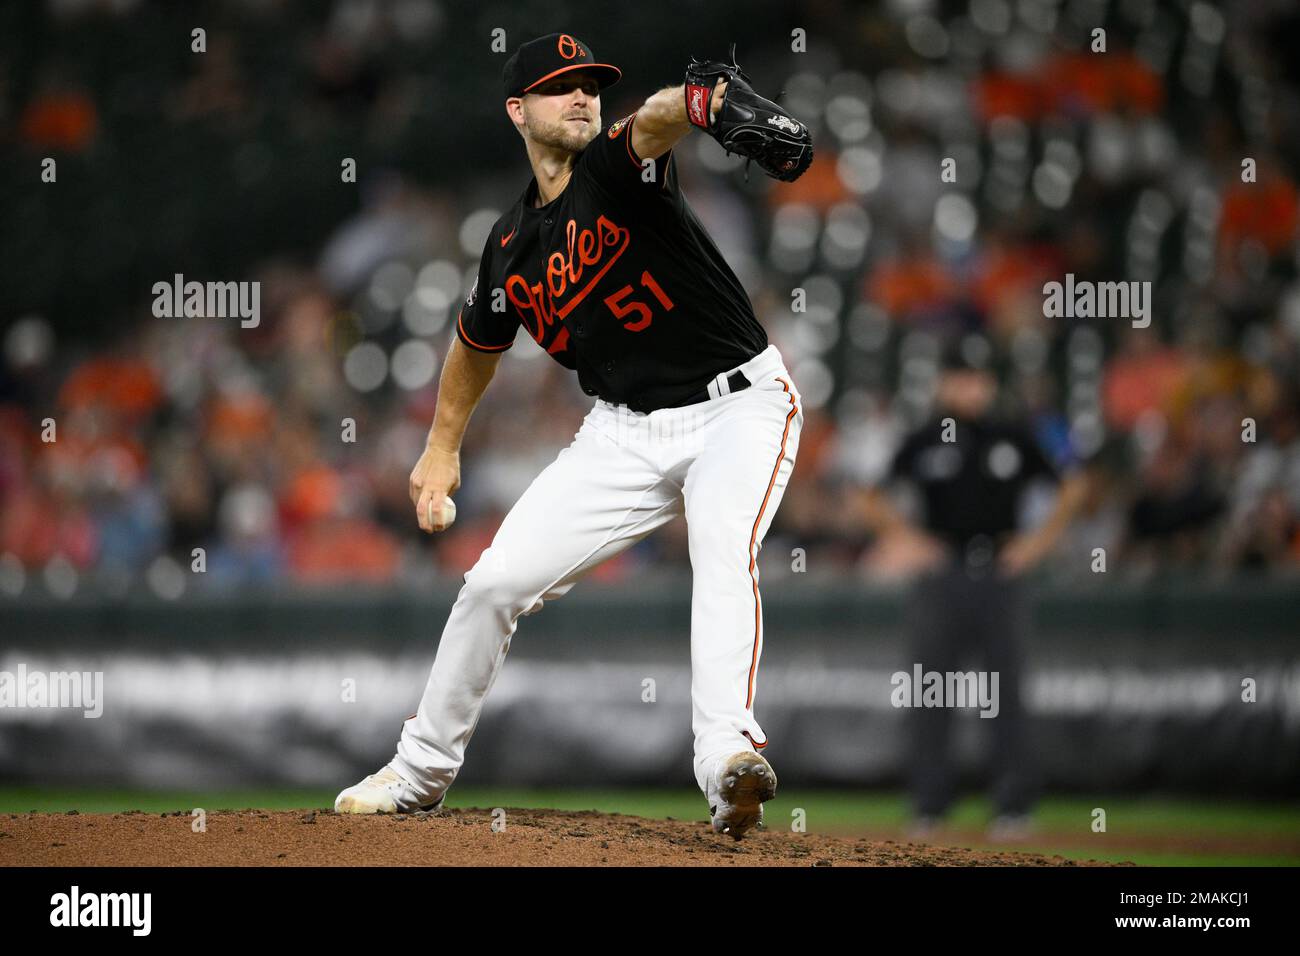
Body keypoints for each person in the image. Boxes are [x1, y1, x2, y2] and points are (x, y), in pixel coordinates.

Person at [334, 33, 809, 839]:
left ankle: (726, 759)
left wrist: (701, 105)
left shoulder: (615, 170)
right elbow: (476, 343)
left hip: (738, 406)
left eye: (590, 84)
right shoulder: (510, 241)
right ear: (519, 111)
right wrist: (442, 445)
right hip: (623, 433)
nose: (583, 97)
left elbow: (654, 120)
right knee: (491, 585)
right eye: (562, 88)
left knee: (722, 545)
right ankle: (419, 772)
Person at [856, 335, 1089, 838]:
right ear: (943, 382)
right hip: (940, 575)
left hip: (1000, 574)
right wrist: (908, 540)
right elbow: (870, 495)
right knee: (931, 692)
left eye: (979, 379)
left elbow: (1073, 485)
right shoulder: (923, 437)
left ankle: (1013, 806)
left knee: (1006, 693)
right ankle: (930, 805)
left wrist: (1035, 545)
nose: (970, 389)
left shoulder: (1012, 433)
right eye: (961, 378)